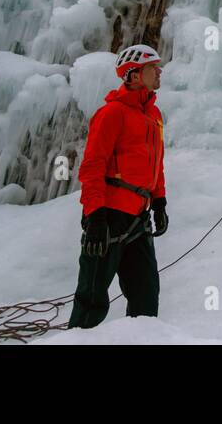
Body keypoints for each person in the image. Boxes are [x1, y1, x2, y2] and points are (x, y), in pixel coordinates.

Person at [67, 43, 169, 328]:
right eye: (152, 68)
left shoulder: (154, 116)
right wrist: (95, 214)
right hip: (108, 215)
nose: (159, 72)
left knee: (146, 296)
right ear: (134, 75)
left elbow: (156, 164)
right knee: (92, 296)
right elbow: (92, 166)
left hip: (138, 217)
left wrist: (159, 201)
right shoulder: (112, 113)